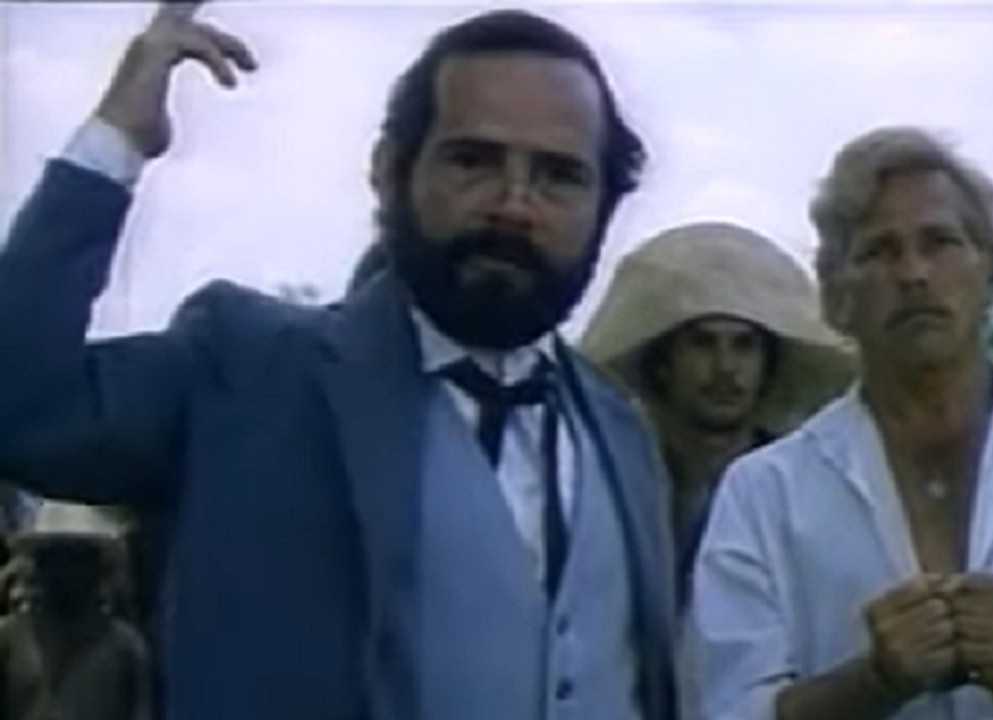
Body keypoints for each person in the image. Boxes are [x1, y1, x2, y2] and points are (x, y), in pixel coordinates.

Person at [0, 5, 676, 720]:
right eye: (472, 161)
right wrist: (113, 146)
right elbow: (23, 407)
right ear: (389, 172)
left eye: (559, 176)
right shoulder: (247, 369)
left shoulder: (620, 432)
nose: (514, 204)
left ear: (605, 204)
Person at [689, 127, 993, 720]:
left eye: (940, 242)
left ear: (991, 270)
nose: (914, 274)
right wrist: (874, 680)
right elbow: (725, 710)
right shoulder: (764, 492)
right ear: (837, 294)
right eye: (880, 251)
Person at [580, 221, 855, 606]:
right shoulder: (611, 482)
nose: (725, 367)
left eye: (744, 346)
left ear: (768, 363)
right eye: (702, 344)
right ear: (664, 362)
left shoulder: (803, 488)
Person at [0, 501, 150, 720]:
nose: (63, 571)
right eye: (53, 558)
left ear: (97, 567)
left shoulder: (125, 648)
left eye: (76, 559)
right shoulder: (9, 639)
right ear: (39, 565)